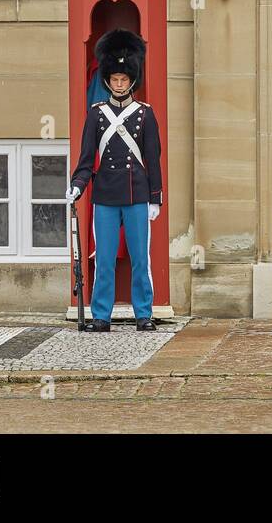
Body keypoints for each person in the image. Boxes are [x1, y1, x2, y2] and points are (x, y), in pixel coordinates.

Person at [66, 29, 163, 332]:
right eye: (115, 79)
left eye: (124, 79)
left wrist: (155, 197)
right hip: (105, 195)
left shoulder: (145, 115)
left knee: (139, 261)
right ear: (107, 80)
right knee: (104, 260)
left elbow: (153, 158)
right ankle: (101, 315)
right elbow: (86, 159)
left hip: (136, 195)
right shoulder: (96, 115)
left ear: (132, 80)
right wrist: (78, 185)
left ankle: (143, 313)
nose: (119, 84)